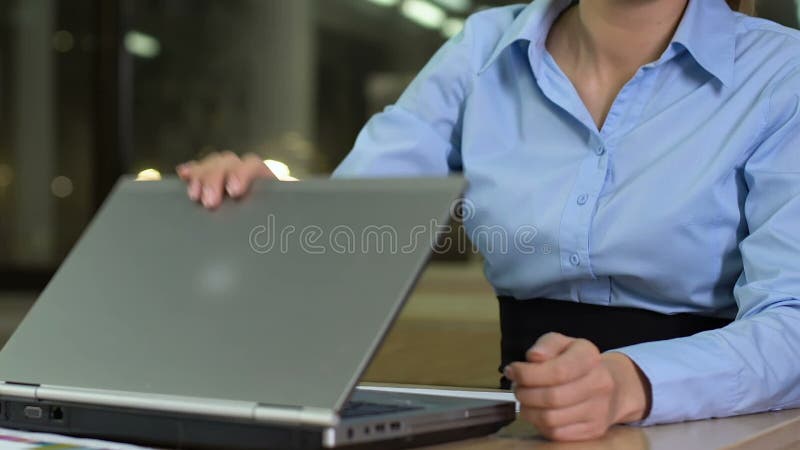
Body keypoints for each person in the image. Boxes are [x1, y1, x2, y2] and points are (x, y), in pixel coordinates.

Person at [176, 0, 800, 442]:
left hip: (722, 424)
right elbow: (354, 227)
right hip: (526, 419)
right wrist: (263, 209)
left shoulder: (781, 75)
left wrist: (627, 382)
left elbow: (793, 322)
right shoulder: (481, 49)